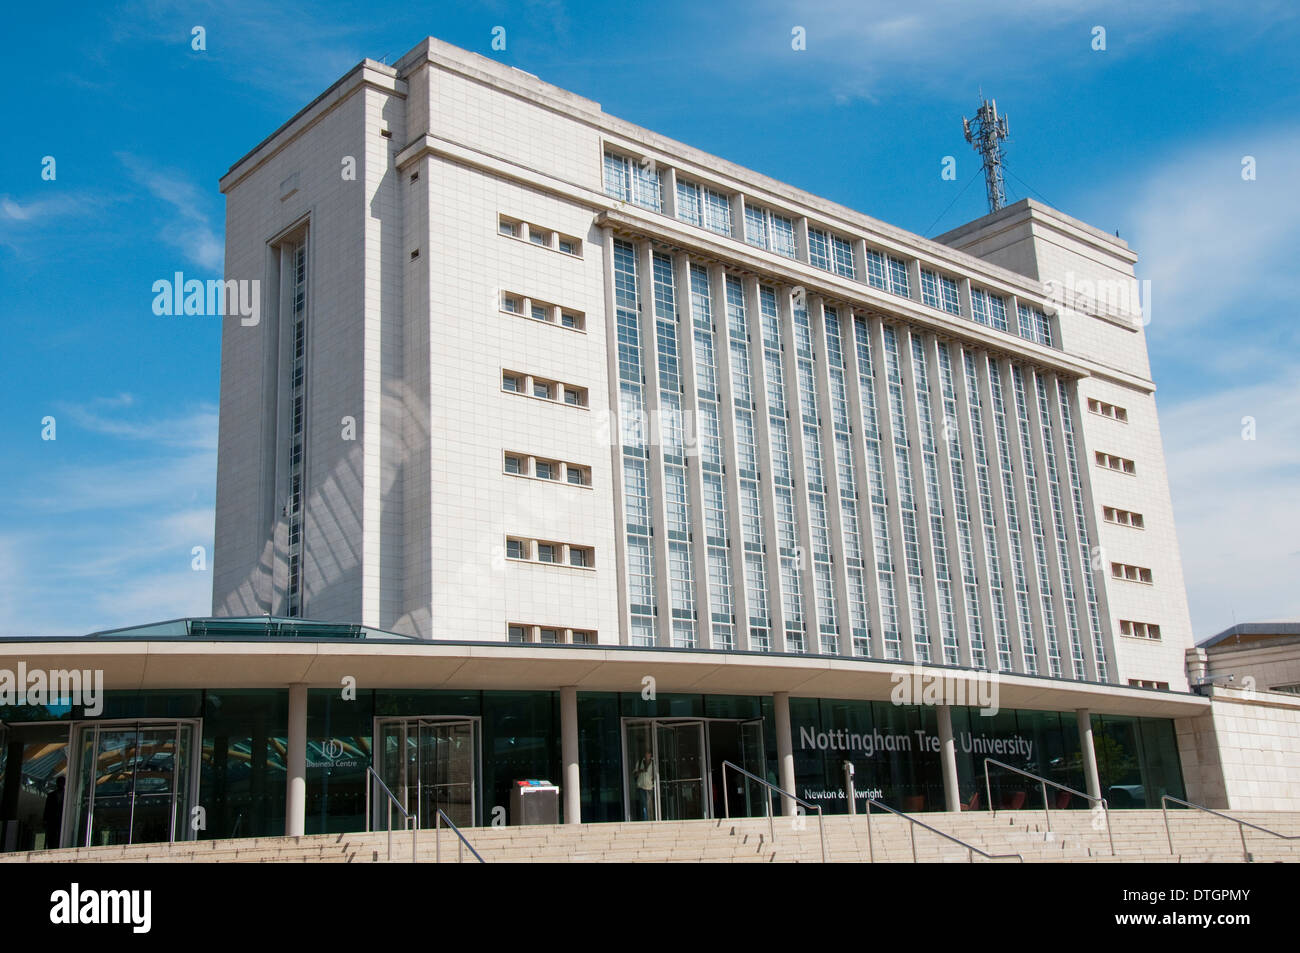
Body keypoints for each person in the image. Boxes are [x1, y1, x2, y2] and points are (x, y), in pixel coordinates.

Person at [43, 777, 65, 850]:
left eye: (62, 783)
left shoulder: (67, 796)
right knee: (51, 837)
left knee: (60, 836)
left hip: (62, 821)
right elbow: (47, 809)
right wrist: (45, 820)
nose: (60, 784)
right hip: (52, 820)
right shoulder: (51, 795)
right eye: (59, 782)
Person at [633, 751, 655, 821]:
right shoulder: (639, 762)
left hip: (649, 787)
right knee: (644, 804)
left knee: (648, 805)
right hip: (641, 787)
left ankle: (650, 819)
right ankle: (645, 820)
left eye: (648, 754)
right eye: (646, 754)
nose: (647, 755)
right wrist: (640, 771)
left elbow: (655, 775)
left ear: (650, 755)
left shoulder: (653, 764)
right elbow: (635, 774)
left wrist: (653, 780)